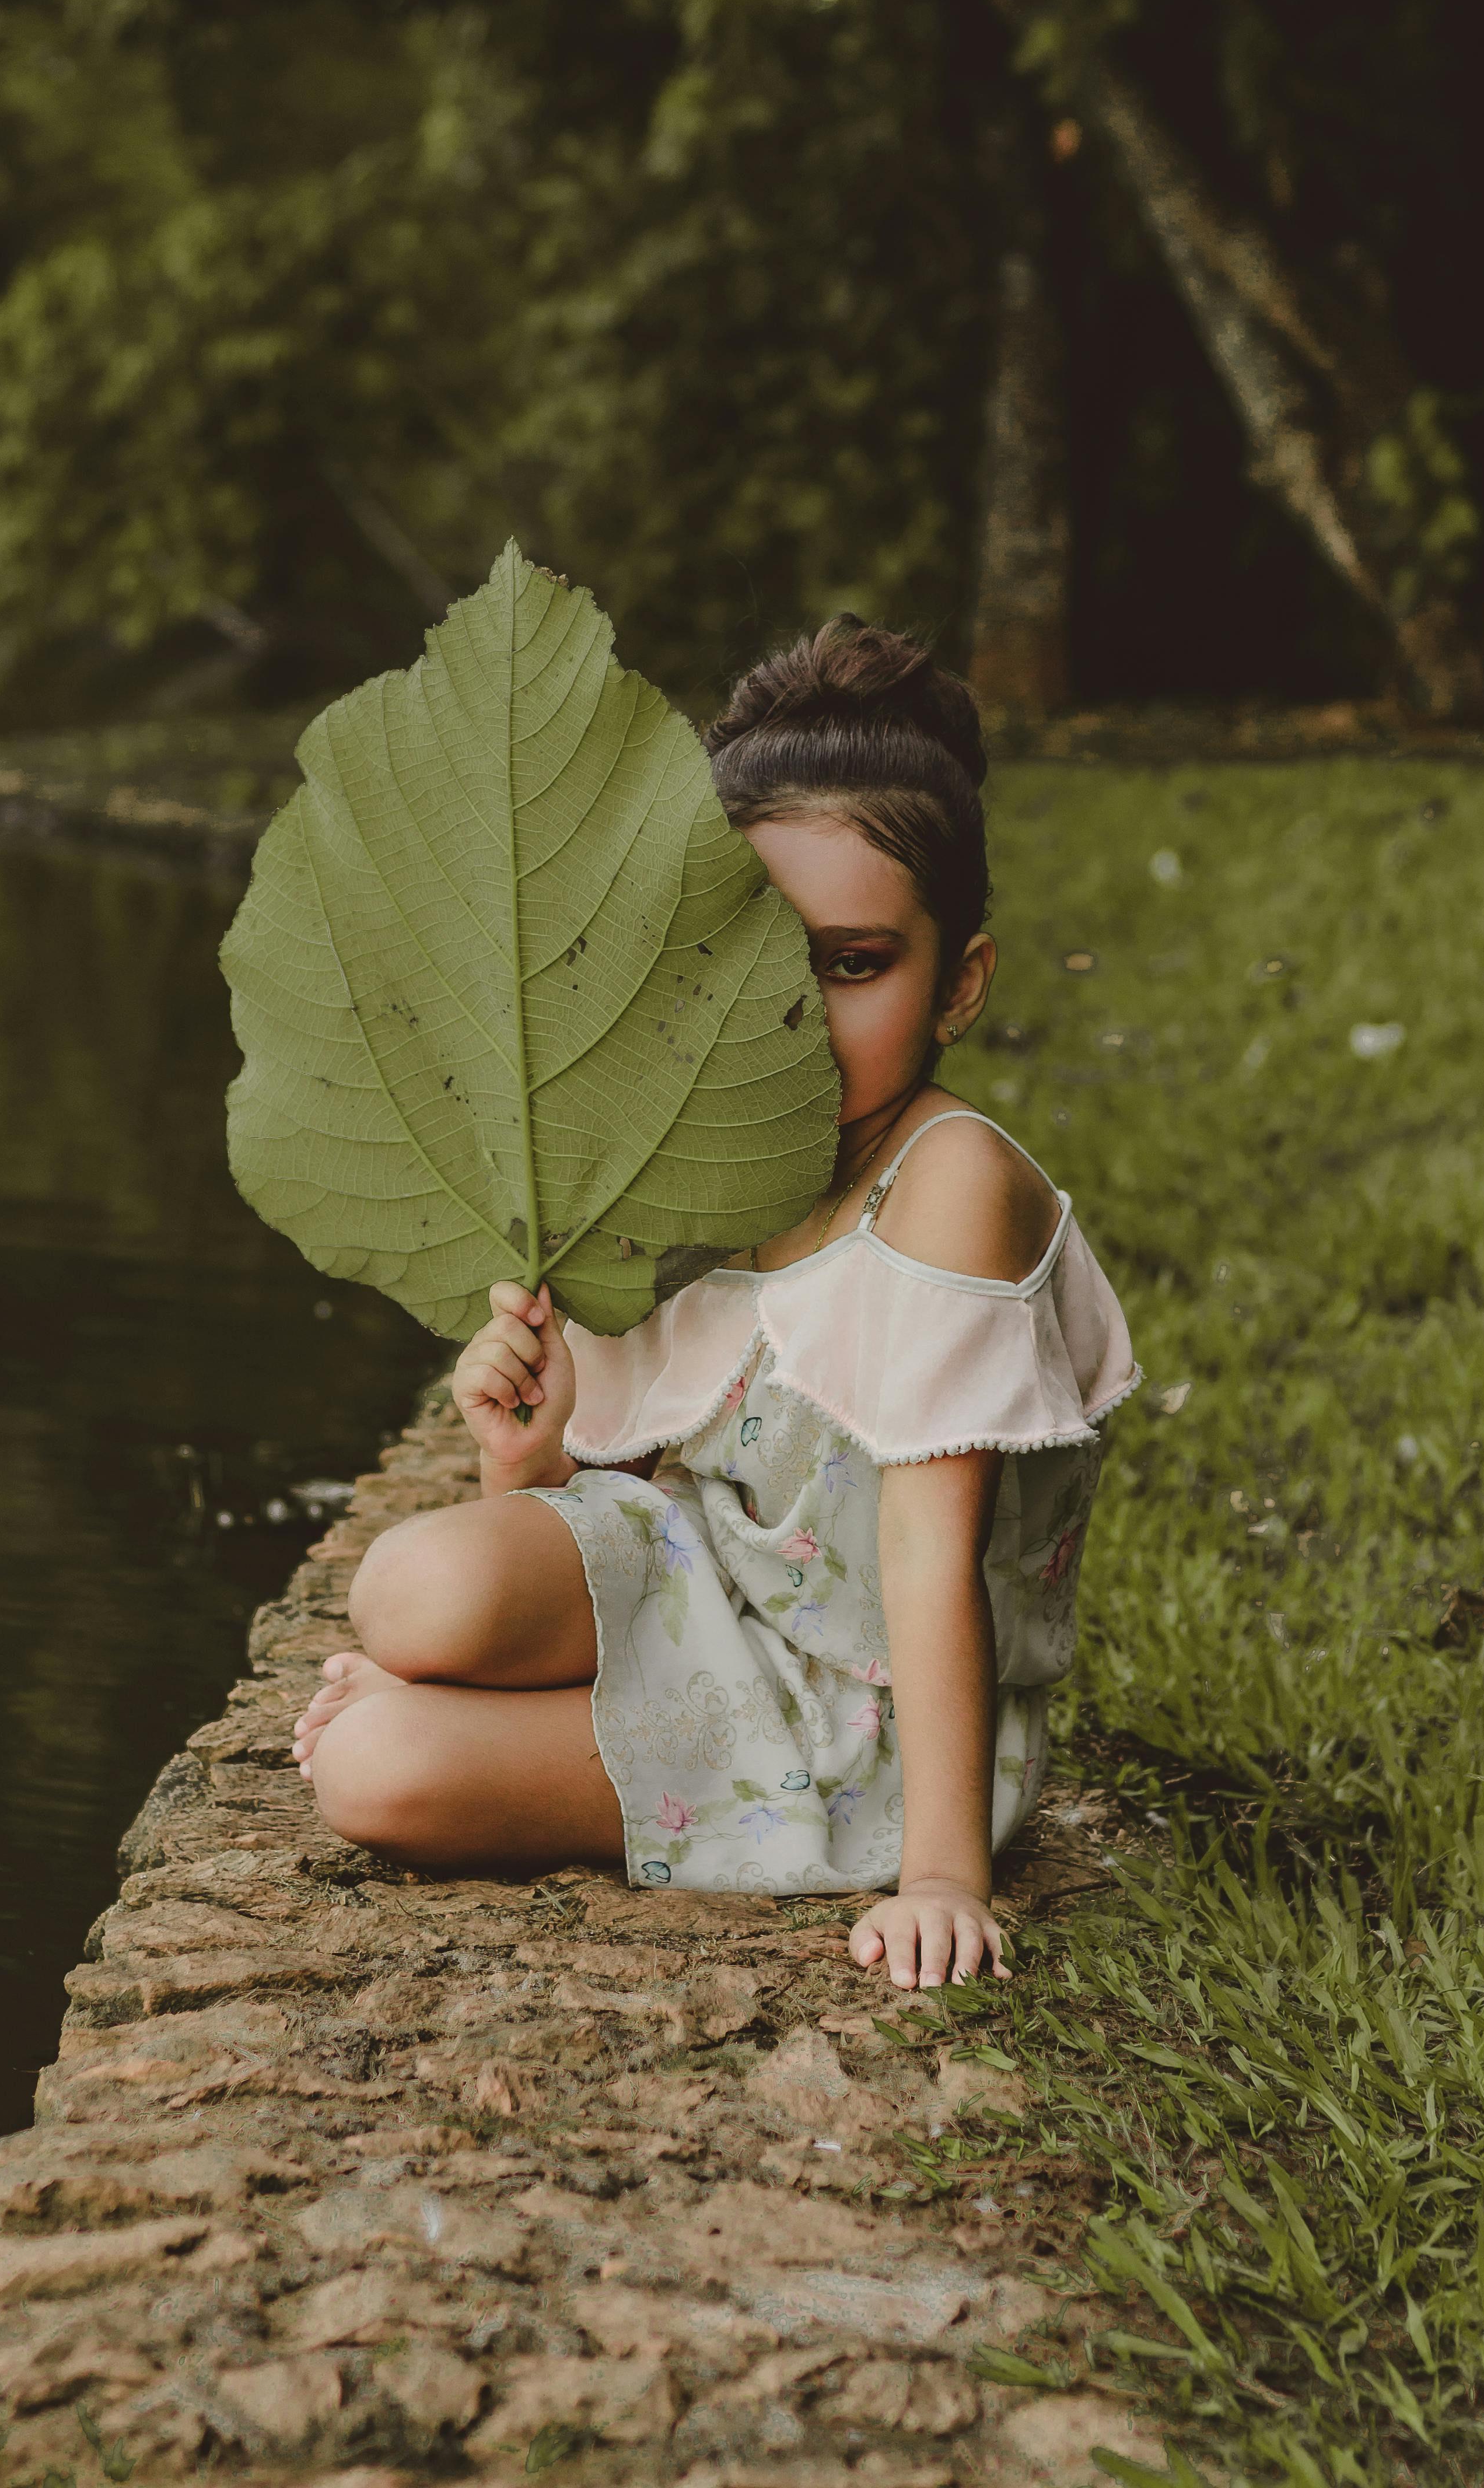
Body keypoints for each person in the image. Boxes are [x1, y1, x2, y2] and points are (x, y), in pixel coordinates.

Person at [291, 619, 1137, 1989]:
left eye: (851, 964)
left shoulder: (950, 1182)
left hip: (856, 1725)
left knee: (375, 1772)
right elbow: (627, 1503)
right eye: (743, 964)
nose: (792, 1018)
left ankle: (473, 1730)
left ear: (961, 983)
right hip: (698, 1599)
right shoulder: (685, 1162)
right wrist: (526, 1448)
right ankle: (478, 1698)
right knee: (412, 1588)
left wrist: (942, 1875)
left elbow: (932, 1557)